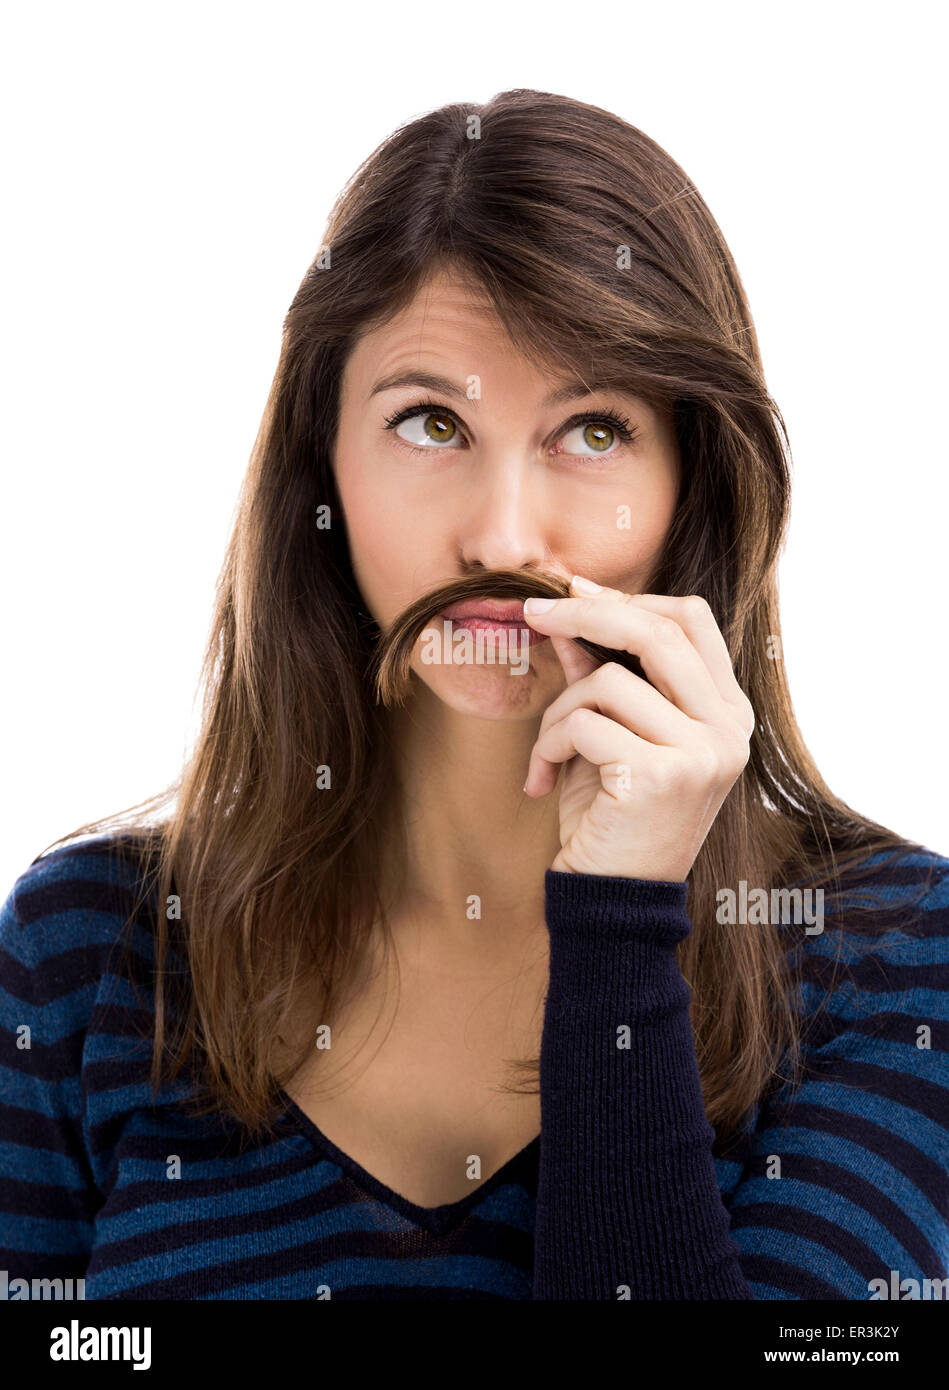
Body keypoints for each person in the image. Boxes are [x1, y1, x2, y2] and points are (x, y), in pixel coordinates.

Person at [1, 88, 947, 1301]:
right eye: (430, 422)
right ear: (319, 466)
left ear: (691, 486)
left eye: (593, 431)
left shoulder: (886, 954)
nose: (502, 533)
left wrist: (617, 916)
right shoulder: (89, 954)